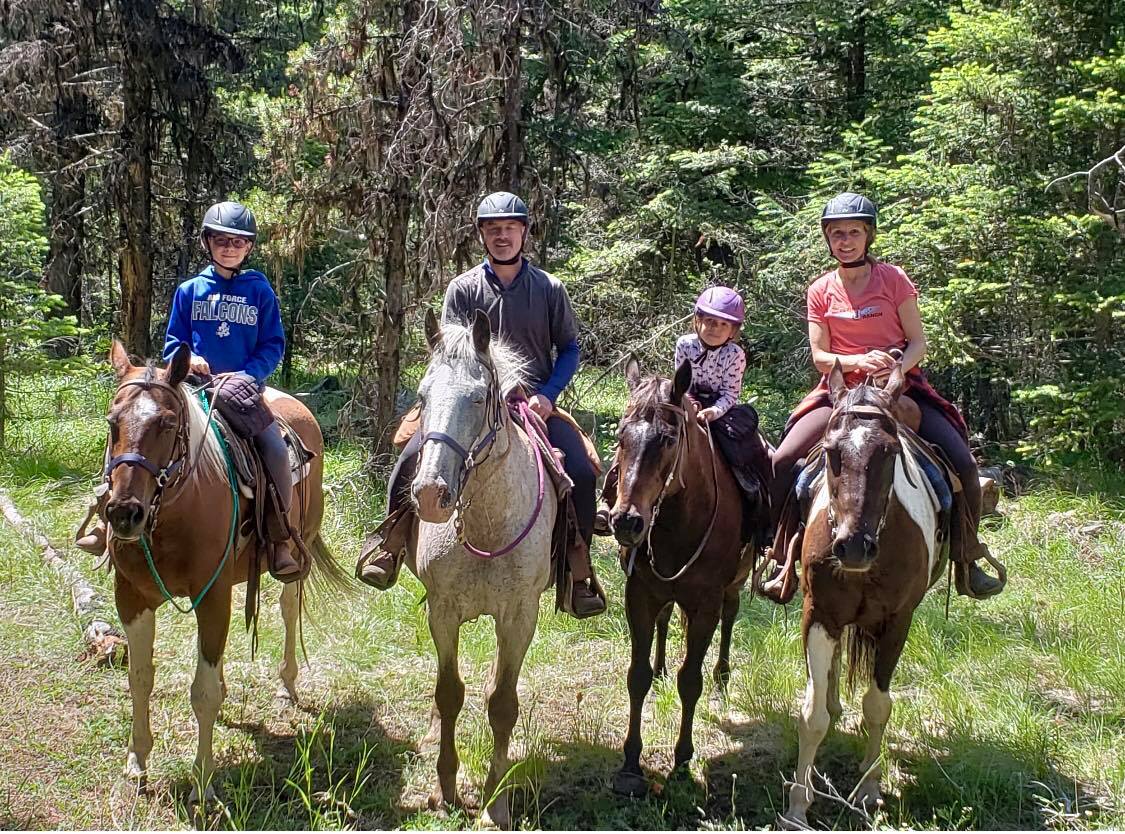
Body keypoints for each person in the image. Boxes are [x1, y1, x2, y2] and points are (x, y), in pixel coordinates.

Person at [357, 191, 606, 619]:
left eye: (510, 228)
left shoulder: (549, 288)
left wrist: (548, 395)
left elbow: (568, 349)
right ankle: (391, 543)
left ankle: (576, 571)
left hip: (531, 406)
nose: (502, 236)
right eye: (493, 229)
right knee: (412, 455)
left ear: (525, 233)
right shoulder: (463, 288)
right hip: (468, 401)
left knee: (580, 471)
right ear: (482, 236)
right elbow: (450, 352)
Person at [765, 191, 1005, 600]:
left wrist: (896, 367)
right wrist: (859, 358)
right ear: (827, 238)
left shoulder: (893, 279)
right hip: (841, 392)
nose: (845, 240)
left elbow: (918, 344)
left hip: (898, 387)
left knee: (963, 462)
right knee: (783, 460)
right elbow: (822, 357)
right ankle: (779, 556)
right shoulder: (821, 289)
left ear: (868, 235)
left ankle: (967, 556)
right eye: (837, 233)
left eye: (853, 232)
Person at [76, 200, 302, 582]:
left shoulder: (260, 291)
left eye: (238, 241)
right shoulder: (190, 290)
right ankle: (108, 519)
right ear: (207, 242)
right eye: (221, 240)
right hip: (191, 386)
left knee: (275, 448)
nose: (229, 247)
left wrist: (249, 375)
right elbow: (174, 341)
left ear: (248, 247)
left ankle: (279, 538)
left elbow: (272, 344)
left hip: (242, 388)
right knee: (131, 431)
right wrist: (189, 357)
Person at [594, 286, 770, 536]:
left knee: (748, 450)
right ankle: (609, 497)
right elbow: (681, 383)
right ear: (697, 321)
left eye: (722, 324)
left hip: (721, 409)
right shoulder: (685, 344)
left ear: (733, 330)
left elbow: (731, 393)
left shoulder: (735, 355)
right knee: (638, 438)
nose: (714, 328)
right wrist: (688, 403)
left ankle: (758, 511)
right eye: (709, 321)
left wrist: (713, 412)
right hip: (685, 401)